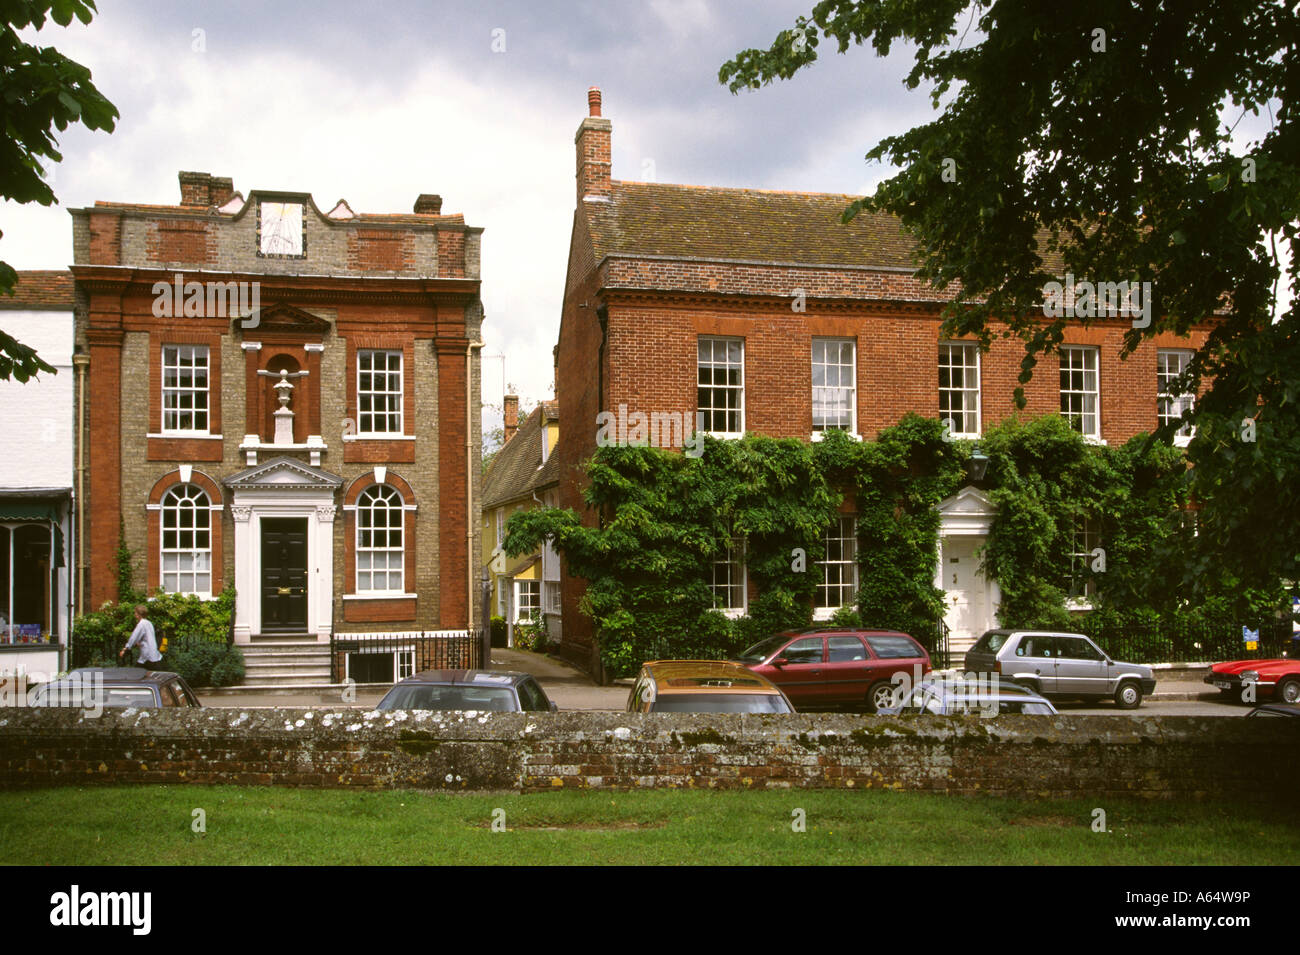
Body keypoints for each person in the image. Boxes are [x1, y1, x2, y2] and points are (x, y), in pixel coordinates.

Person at [120, 604, 163, 669]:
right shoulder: (149, 623)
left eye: (135, 612)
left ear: (138, 614)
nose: (134, 614)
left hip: (147, 656)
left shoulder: (141, 624)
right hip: (154, 654)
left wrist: (126, 648)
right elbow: (147, 637)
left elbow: (134, 638)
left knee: (137, 674)